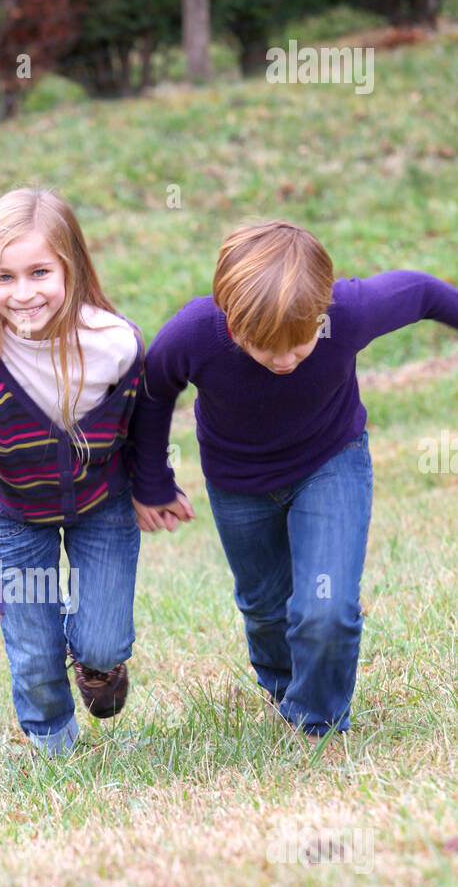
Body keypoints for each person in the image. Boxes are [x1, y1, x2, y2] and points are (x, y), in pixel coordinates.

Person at [130, 219, 458, 736]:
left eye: (300, 345)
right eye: (266, 348)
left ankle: (317, 722)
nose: (284, 361)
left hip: (330, 462)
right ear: (232, 319)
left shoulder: (347, 313)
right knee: (265, 609)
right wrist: (151, 481)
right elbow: (152, 390)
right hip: (239, 485)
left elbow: (421, 292)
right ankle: (286, 689)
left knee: (325, 611)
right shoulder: (196, 333)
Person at [0, 186, 191, 755]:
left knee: (102, 641)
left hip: (102, 505)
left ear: (71, 267)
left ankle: (100, 670)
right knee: (34, 651)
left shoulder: (115, 344)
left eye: (39, 272)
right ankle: (53, 743)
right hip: (16, 515)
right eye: (3, 277)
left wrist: (151, 487)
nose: (22, 293)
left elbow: (141, 426)